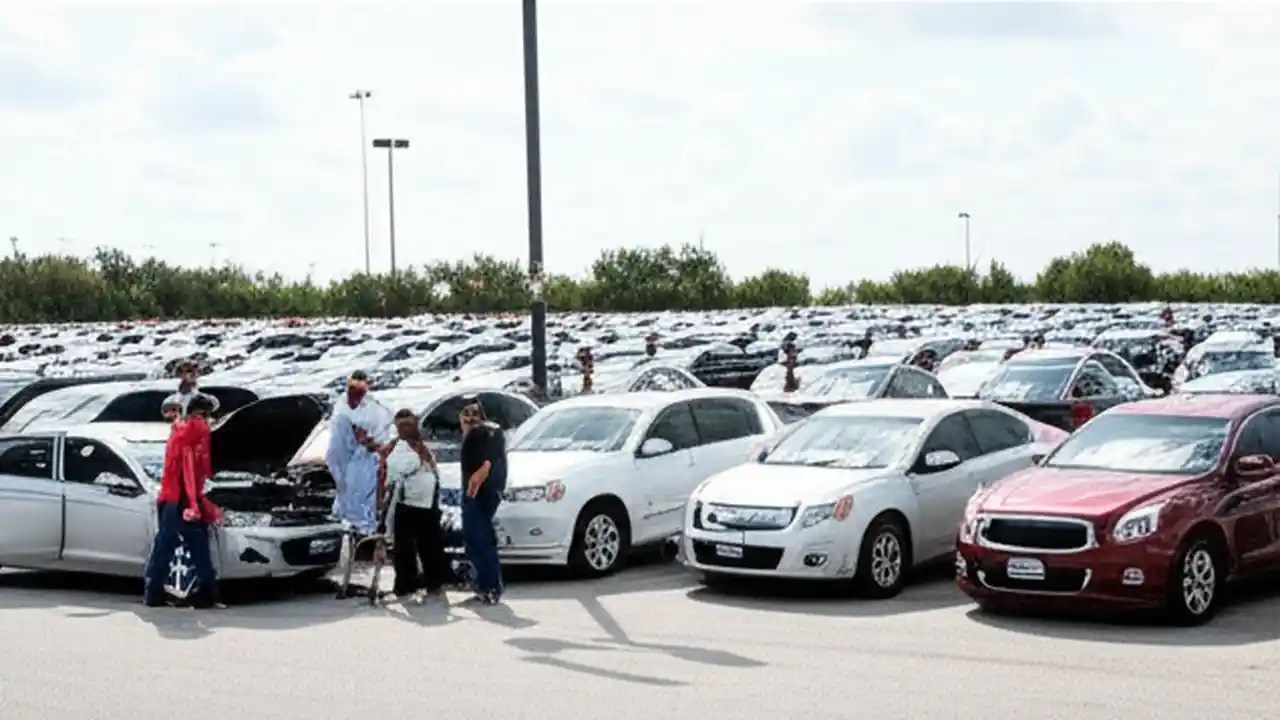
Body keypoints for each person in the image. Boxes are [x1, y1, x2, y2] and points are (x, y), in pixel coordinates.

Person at [143, 393, 222, 608]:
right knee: (198, 545)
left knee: (165, 545)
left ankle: (154, 591)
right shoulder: (197, 428)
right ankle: (206, 592)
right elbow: (192, 469)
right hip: (184, 498)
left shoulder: (178, 430)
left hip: (169, 497)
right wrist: (194, 503)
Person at [378, 409, 448, 602]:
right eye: (402, 425)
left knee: (431, 544)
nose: (407, 429)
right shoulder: (396, 449)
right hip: (406, 501)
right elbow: (392, 474)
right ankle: (406, 584)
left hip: (428, 502)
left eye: (410, 424)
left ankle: (434, 581)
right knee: (404, 546)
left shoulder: (423, 446)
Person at [325, 371, 393, 539]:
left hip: (366, 462)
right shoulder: (342, 412)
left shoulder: (374, 408)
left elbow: (379, 432)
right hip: (355, 463)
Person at [459, 395, 506, 604]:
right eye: (465, 414)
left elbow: (490, 455)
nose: (470, 418)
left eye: (474, 414)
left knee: (482, 540)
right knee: (474, 540)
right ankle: (482, 585)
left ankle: (491, 587)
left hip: (481, 493)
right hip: (475, 493)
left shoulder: (486, 432)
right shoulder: (470, 437)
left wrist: (482, 473)